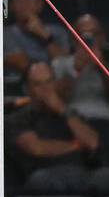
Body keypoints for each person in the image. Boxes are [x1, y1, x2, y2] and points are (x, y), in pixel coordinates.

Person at [9, 61, 100, 190]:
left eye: (49, 81)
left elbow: (92, 143)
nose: (45, 89)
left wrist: (63, 110)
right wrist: (76, 145)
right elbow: (37, 148)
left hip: (80, 172)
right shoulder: (19, 118)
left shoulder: (69, 113)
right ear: (28, 89)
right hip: (42, 174)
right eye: (38, 84)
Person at [51, 14, 109, 120]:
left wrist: (102, 68)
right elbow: (55, 100)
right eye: (82, 34)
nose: (88, 39)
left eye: (94, 34)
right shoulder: (59, 65)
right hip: (71, 121)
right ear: (74, 40)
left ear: (102, 38)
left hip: (107, 120)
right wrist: (76, 69)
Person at [4, 0, 70, 76]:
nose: (24, 5)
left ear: (40, 4)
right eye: (18, 0)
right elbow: (22, 64)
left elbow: (66, 67)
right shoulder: (5, 35)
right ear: (12, 6)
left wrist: (44, 35)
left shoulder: (59, 32)